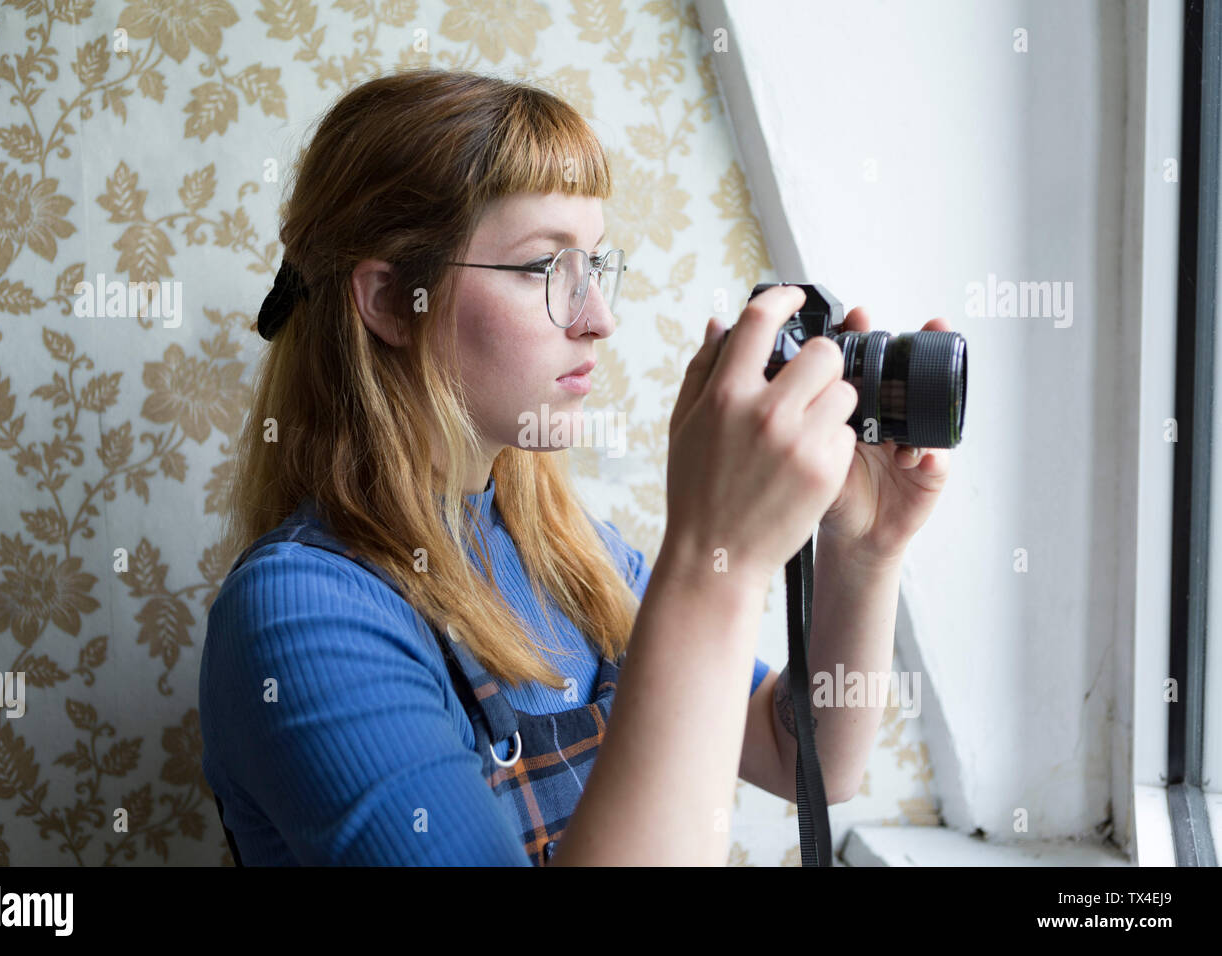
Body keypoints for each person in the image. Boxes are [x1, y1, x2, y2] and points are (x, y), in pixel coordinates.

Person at [198, 68, 952, 867]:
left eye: (594, 264)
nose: (599, 318)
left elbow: (805, 755)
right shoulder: (302, 615)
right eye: (540, 268)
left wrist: (865, 554)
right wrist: (714, 562)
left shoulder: (567, 550)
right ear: (388, 301)